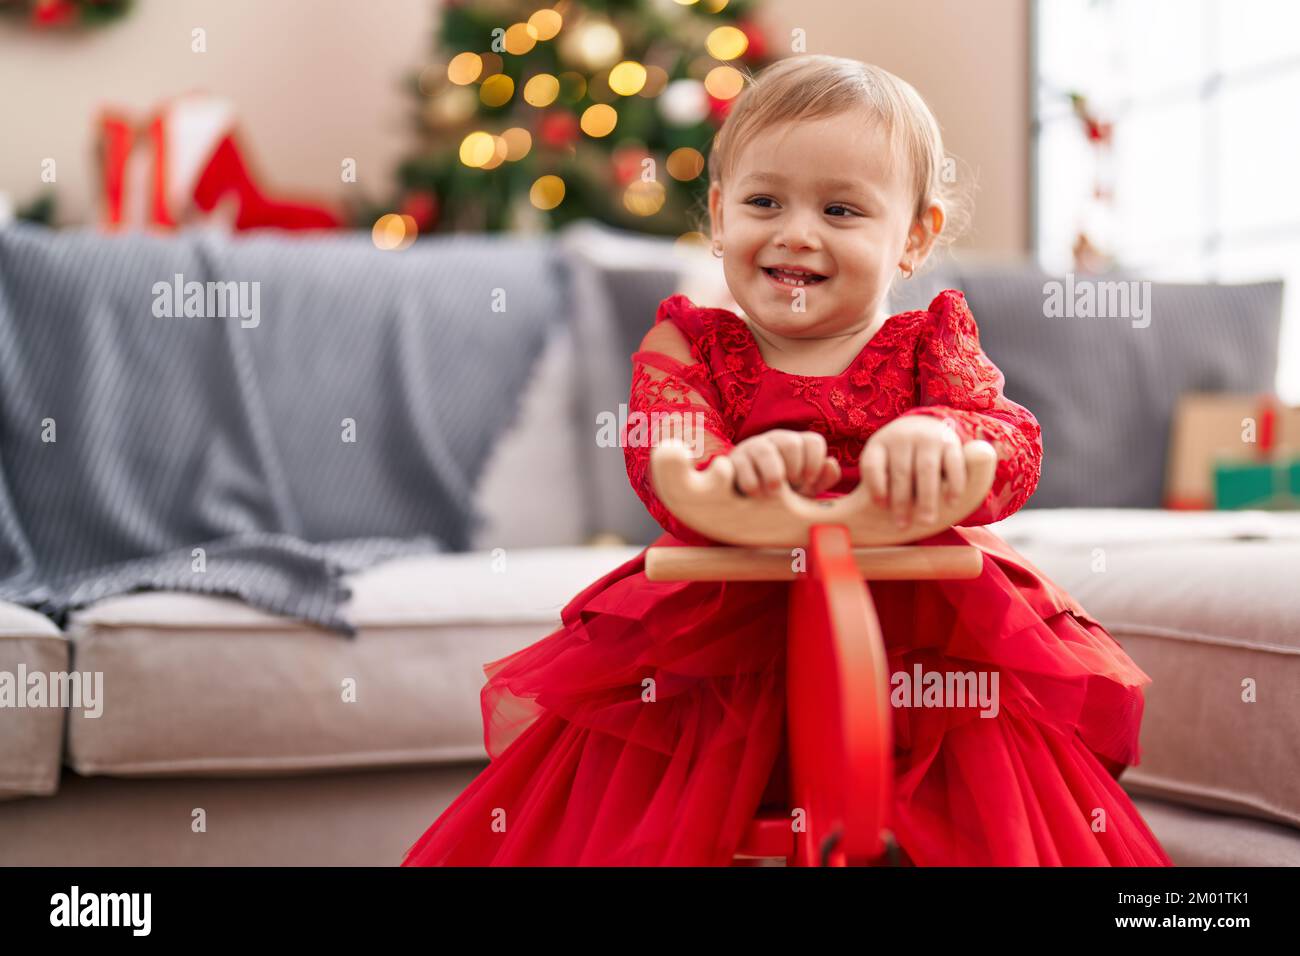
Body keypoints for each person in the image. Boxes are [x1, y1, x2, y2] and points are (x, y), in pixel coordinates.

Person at [401, 54, 1174, 867]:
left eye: (841, 210)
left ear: (912, 237)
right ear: (719, 213)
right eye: (764, 202)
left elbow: (1010, 442)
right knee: (639, 815)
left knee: (982, 808)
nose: (795, 232)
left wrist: (943, 436)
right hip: (722, 639)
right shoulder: (688, 343)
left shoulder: (931, 340)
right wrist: (728, 473)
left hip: (923, 643)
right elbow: (666, 449)